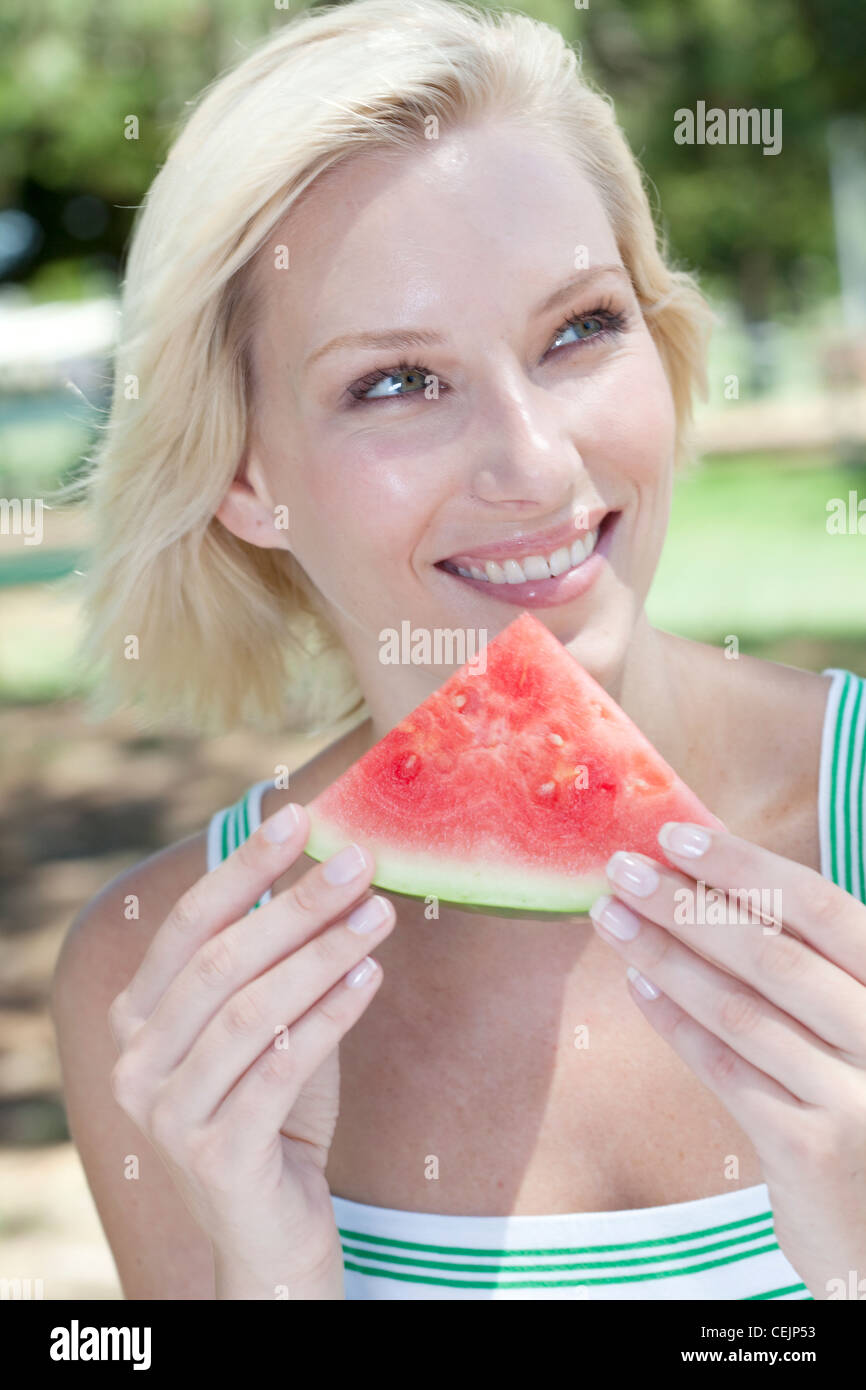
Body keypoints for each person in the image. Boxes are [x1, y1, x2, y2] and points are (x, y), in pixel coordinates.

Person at [50, 0, 866, 1300]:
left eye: (579, 329)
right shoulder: (150, 987)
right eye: (395, 382)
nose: (535, 464)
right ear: (247, 475)